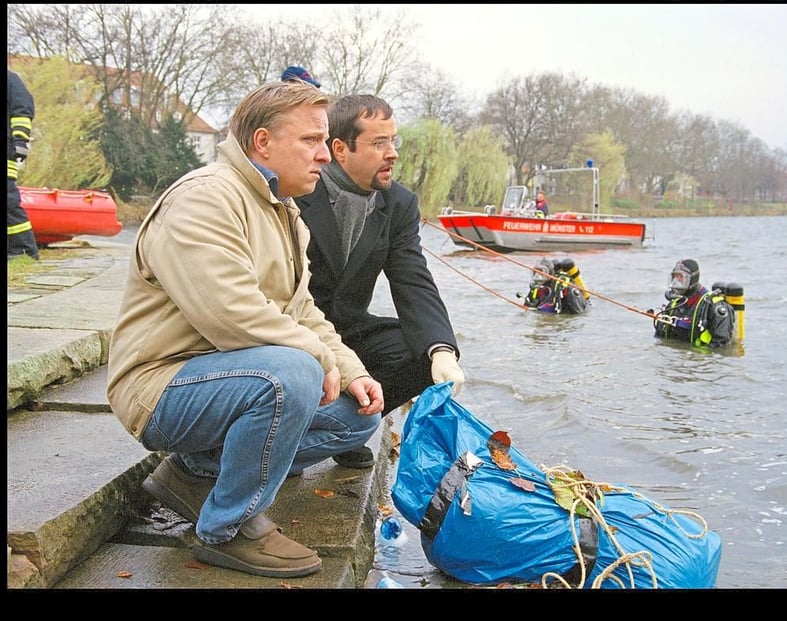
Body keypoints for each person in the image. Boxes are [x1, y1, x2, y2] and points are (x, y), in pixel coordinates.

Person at [106, 81, 384, 579]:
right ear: (262, 142)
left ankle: (194, 474)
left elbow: (302, 311)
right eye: (310, 141)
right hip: (161, 387)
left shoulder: (281, 210)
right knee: (292, 374)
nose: (325, 155)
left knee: (357, 418)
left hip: (226, 377)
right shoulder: (206, 199)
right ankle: (226, 529)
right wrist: (316, 360)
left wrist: (351, 368)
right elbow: (230, 314)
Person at [295, 94, 464, 469]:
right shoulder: (298, 191)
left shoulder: (399, 205)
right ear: (340, 149)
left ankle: (343, 426)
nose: (393, 154)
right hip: (296, 329)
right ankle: (307, 428)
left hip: (350, 329)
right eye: (379, 143)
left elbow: (413, 278)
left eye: (394, 141)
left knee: (420, 352)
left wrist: (442, 351)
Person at [652, 258, 735, 347]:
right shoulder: (674, 303)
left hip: (699, 357)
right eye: (675, 277)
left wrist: (694, 355)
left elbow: (722, 346)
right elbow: (660, 336)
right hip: (676, 358)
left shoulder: (713, 305)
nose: (676, 281)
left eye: (681, 277)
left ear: (692, 279)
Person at [7, 68, 39, 260]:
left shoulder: (11, 79)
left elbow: (22, 109)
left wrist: (20, 139)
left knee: (8, 200)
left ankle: (25, 249)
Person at [523, 257, 589, 314]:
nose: (538, 276)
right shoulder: (536, 288)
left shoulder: (566, 289)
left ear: (549, 273)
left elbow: (577, 316)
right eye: (535, 273)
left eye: (541, 273)